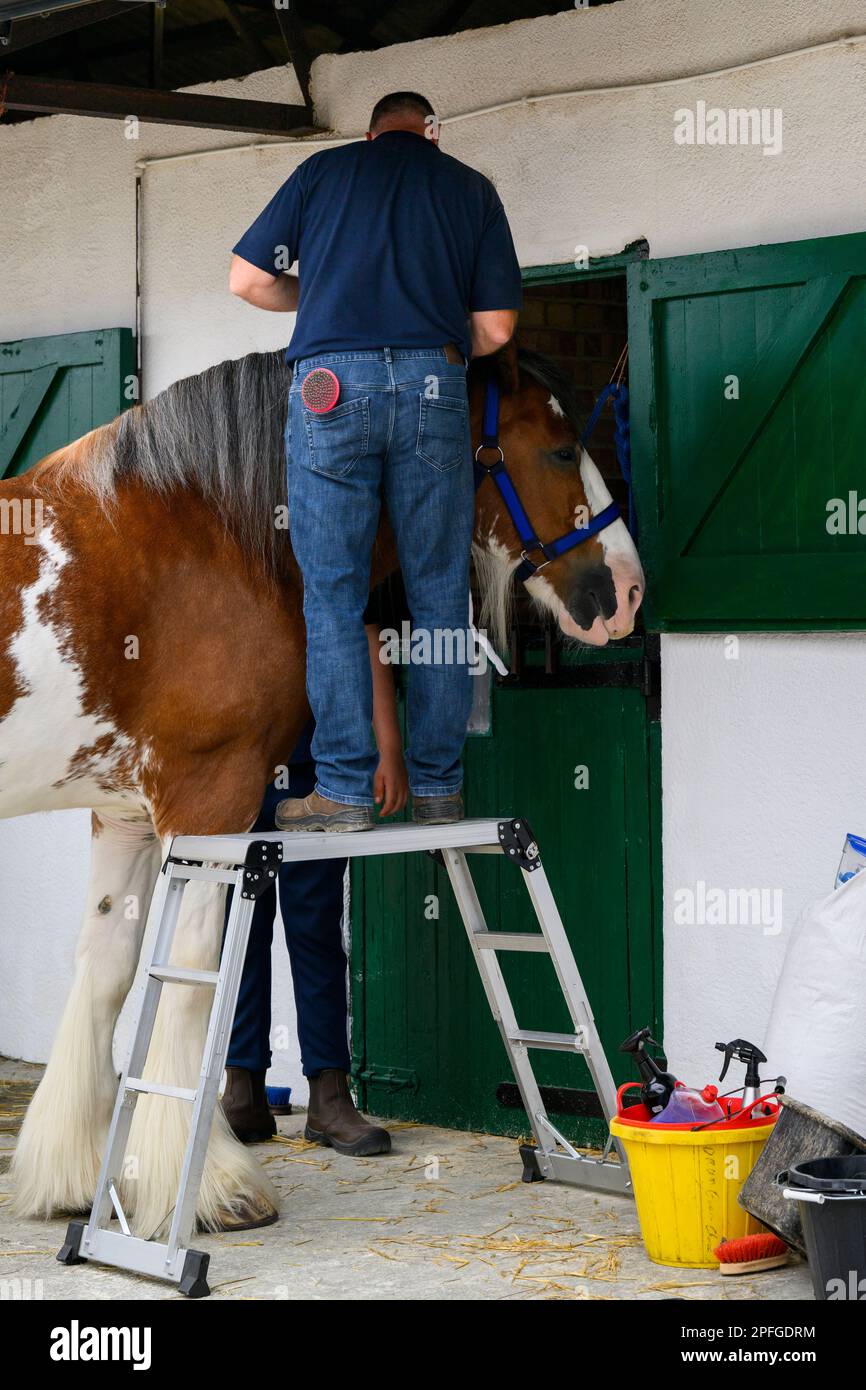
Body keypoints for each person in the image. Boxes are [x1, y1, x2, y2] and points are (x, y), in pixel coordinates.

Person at [229, 91, 522, 834]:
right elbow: (495, 327)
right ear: (433, 130)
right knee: (437, 599)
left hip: (331, 389)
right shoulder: (470, 189)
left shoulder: (323, 172)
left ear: (369, 133)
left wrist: (320, 295)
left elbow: (248, 279)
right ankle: (438, 790)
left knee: (332, 599)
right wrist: (426, 330)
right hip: (435, 385)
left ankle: (345, 794)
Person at [222, 620, 407, 1153]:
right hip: (237, 766)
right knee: (238, 934)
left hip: (320, 775)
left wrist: (387, 748)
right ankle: (242, 1091)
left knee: (317, 932)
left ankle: (329, 1096)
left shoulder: (328, 546)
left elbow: (370, 639)